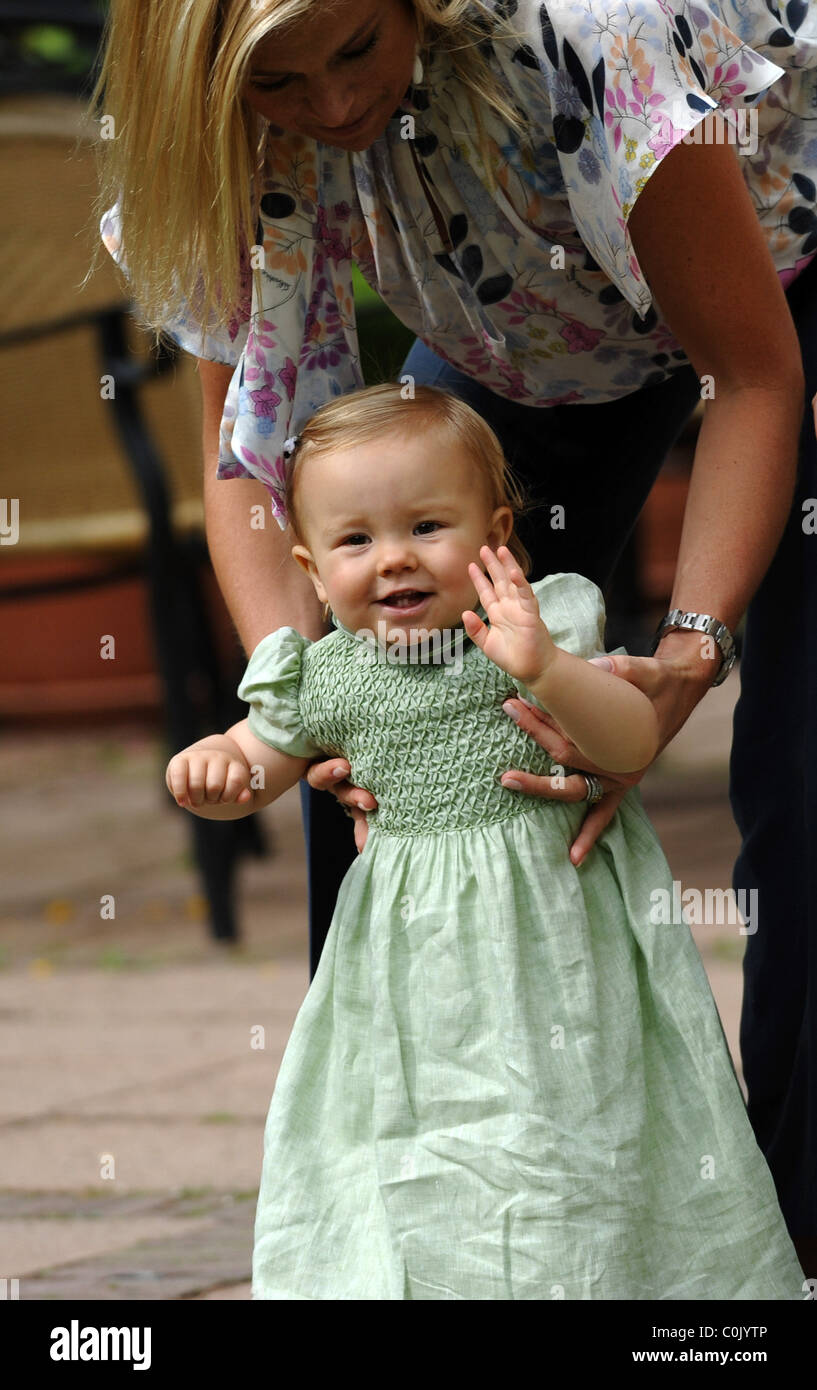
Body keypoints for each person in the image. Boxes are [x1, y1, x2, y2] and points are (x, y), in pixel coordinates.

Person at [92, 0, 817, 1273]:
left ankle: (761, 1240)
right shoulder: (217, 138)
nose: (330, 109)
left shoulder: (583, 35)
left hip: (780, 287)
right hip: (528, 323)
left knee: (805, 775)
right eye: (277, 84)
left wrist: (679, 664)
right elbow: (249, 462)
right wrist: (295, 700)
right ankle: (400, 1208)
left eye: (358, 51)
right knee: (377, 707)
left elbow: (748, 375)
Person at [165, 382, 804, 1299]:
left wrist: (546, 668)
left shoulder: (543, 627)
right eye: (355, 541)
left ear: (495, 536)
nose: (393, 560)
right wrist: (218, 774)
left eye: (427, 527)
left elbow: (627, 743)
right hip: (409, 967)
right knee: (427, 1127)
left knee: (573, 1127)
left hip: (558, 945)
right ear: (308, 570)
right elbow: (259, 760)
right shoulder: (328, 676)